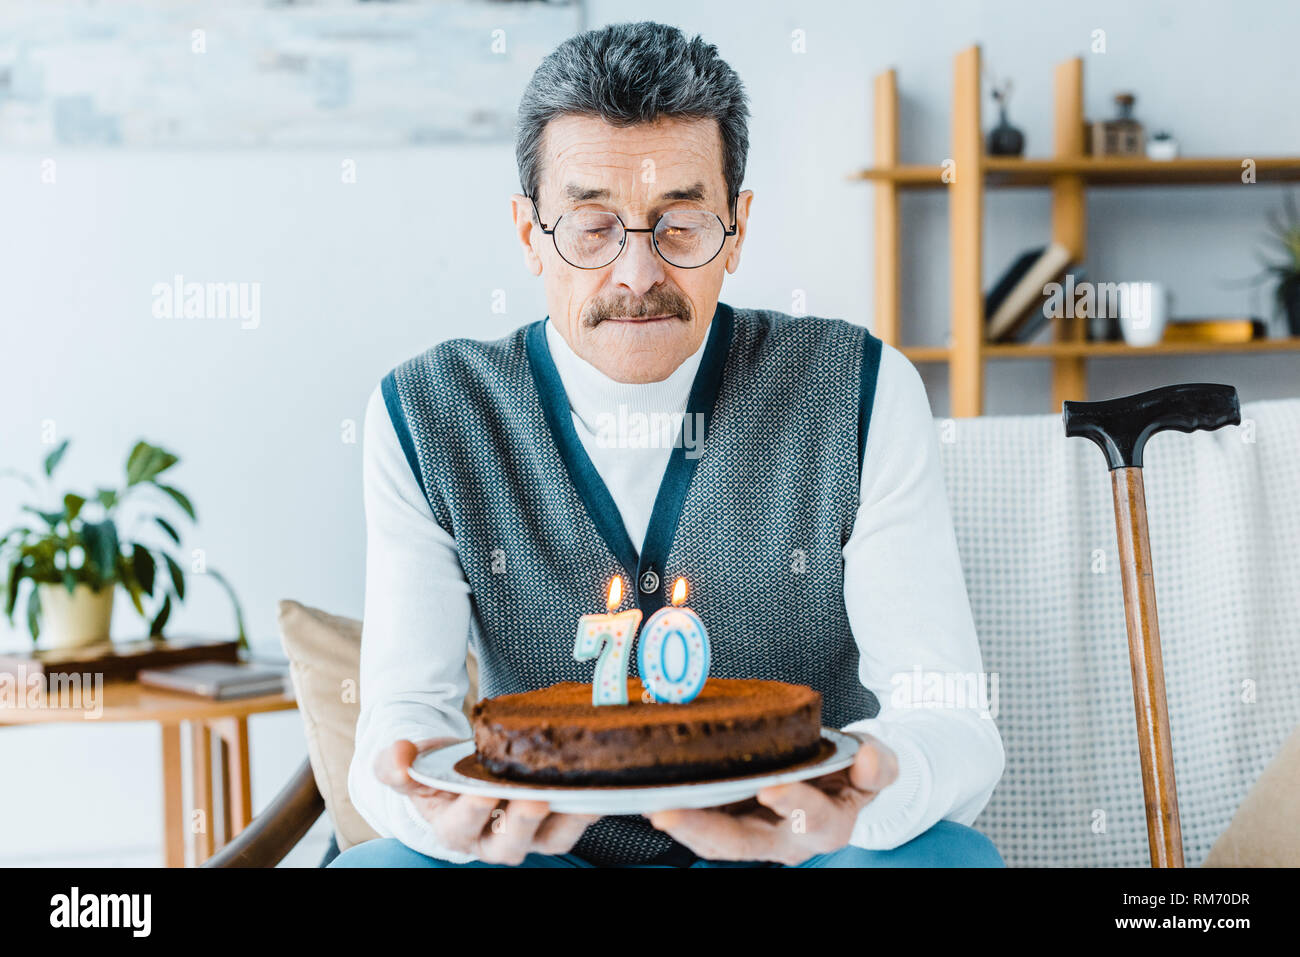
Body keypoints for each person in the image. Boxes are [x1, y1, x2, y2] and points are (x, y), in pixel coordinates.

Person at [334, 21, 1004, 869]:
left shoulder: (860, 388)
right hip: (542, 857)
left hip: (795, 853)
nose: (638, 273)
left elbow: (952, 719)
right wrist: (436, 813)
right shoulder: (426, 414)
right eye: (591, 226)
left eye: (681, 224)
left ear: (739, 224)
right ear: (529, 233)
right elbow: (399, 726)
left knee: (948, 861)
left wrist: (861, 796)